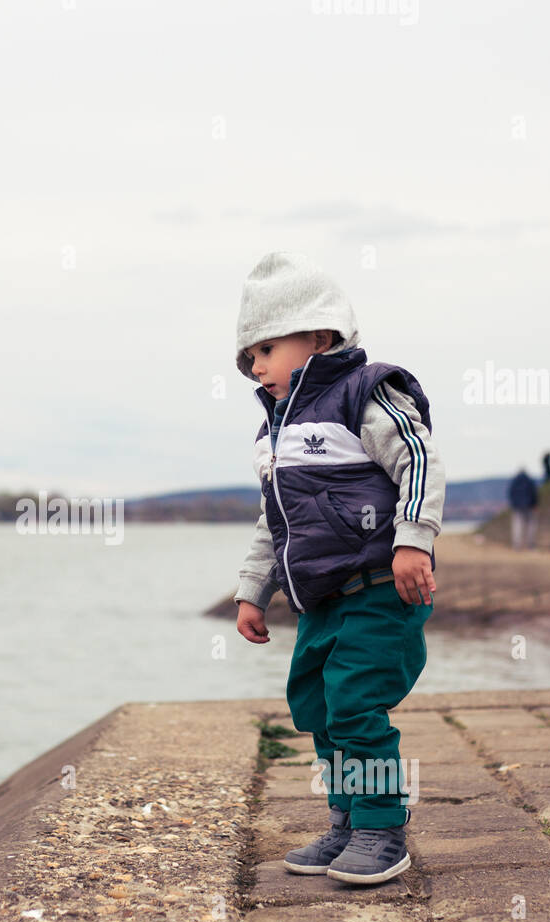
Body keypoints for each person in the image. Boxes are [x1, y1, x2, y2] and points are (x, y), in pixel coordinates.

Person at [231, 252, 445, 886]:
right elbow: (275, 521)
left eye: (266, 347)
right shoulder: (273, 432)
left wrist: (414, 539)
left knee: (355, 704)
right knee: (319, 707)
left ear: (319, 338)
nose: (255, 366)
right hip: (321, 600)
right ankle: (349, 819)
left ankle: (383, 827)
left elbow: (419, 460)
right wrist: (253, 590)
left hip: (379, 589)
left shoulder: (365, 395)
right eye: (248, 356)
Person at [507, 468, 538, 549]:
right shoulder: (529, 481)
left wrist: (513, 504)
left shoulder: (515, 481)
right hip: (529, 506)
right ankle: (531, 544)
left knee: (517, 525)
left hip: (517, 506)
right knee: (531, 525)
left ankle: (517, 544)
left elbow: (511, 493)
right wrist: (534, 504)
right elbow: (534, 493)